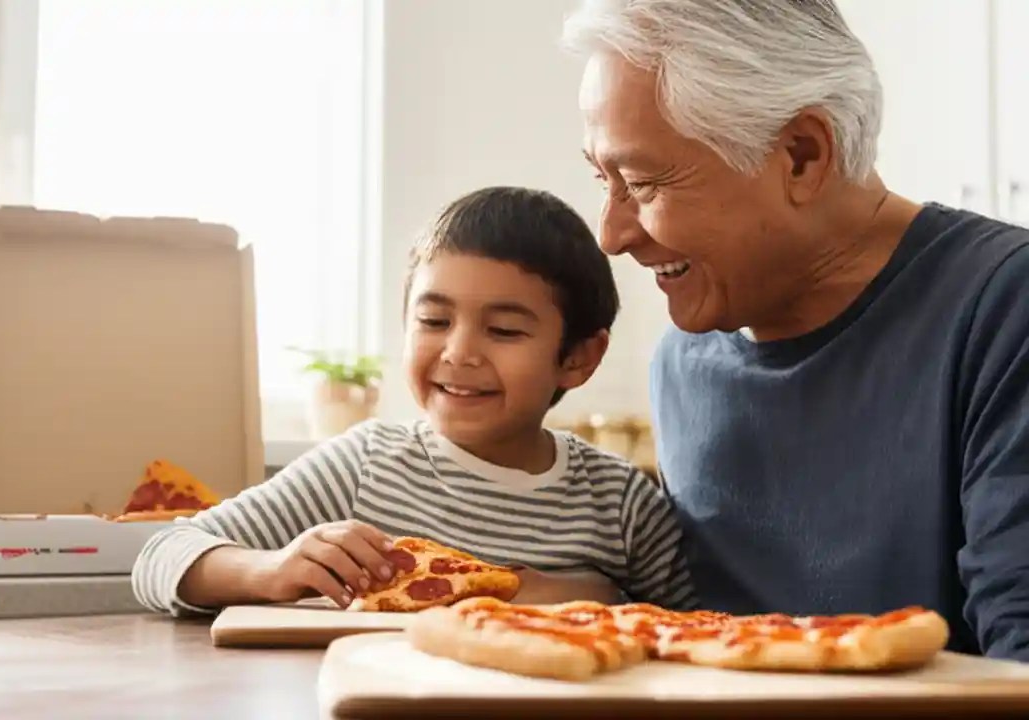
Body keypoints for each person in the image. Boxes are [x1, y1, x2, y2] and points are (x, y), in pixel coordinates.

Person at [562, 0, 1029, 660]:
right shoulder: (682, 363)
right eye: (600, 177)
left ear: (801, 156)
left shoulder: (1005, 309)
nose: (610, 235)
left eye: (641, 182)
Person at [132, 186, 696, 615]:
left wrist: (599, 599)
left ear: (577, 357)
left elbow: (700, 627)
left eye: (503, 330)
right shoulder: (367, 464)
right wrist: (270, 569)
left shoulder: (621, 504)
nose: (458, 352)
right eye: (433, 320)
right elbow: (161, 556)